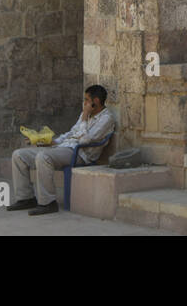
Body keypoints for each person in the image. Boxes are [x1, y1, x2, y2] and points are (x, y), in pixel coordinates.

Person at [8, 84, 115, 216]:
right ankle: (26, 198)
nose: (85, 103)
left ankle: (48, 202)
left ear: (96, 101)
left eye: (87, 100)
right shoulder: (85, 114)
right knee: (19, 155)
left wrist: (84, 118)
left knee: (43, 157)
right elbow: (71, 132)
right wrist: (50, 141)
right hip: (64, 147)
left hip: (80, 153)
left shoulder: (106, 119)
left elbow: (85, 140)